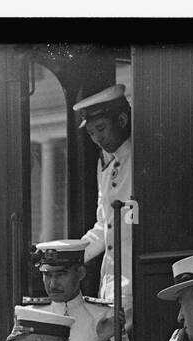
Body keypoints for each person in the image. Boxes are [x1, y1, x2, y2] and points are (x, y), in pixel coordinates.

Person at [74, 84, 133, 309]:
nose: (97, 138)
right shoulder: (106, 166)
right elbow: (104, 226)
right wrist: (70, 255)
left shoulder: (141, 161)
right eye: (91, 133)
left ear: (121, 120)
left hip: (136, 286)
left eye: (101, 128)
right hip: (110, 290)